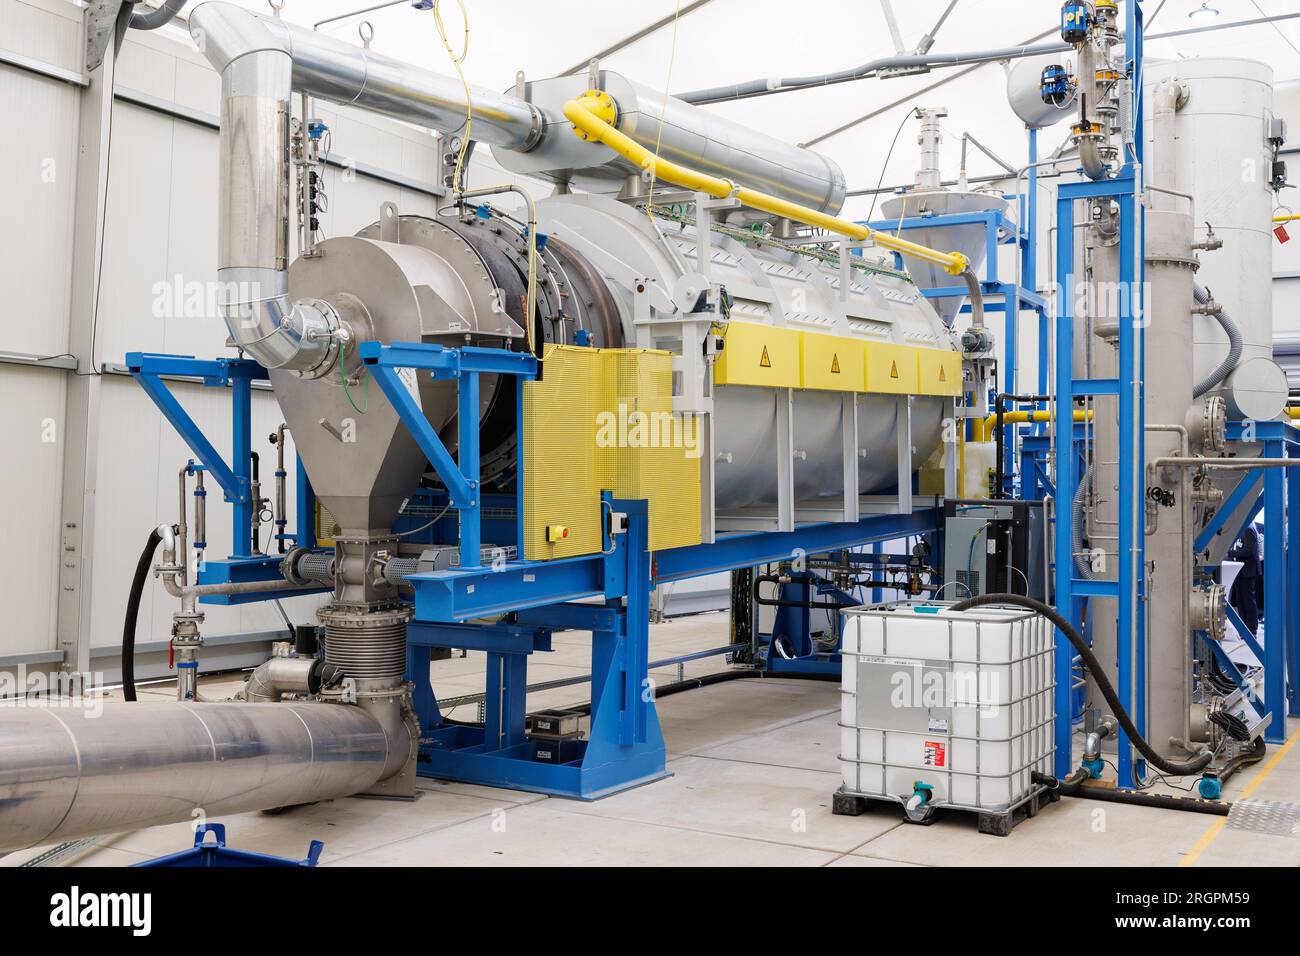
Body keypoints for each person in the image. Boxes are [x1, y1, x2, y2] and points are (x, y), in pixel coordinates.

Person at [1228, 524, 1260, 636]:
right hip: (1239, 571)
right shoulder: (1242, 530)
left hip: (1247, 571)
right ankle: (1244, 628)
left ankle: (1252, 629)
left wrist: (1231, 553)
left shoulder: (1248, 529)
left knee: (1248, 601)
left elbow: (1249, 550)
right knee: (1241, 601)